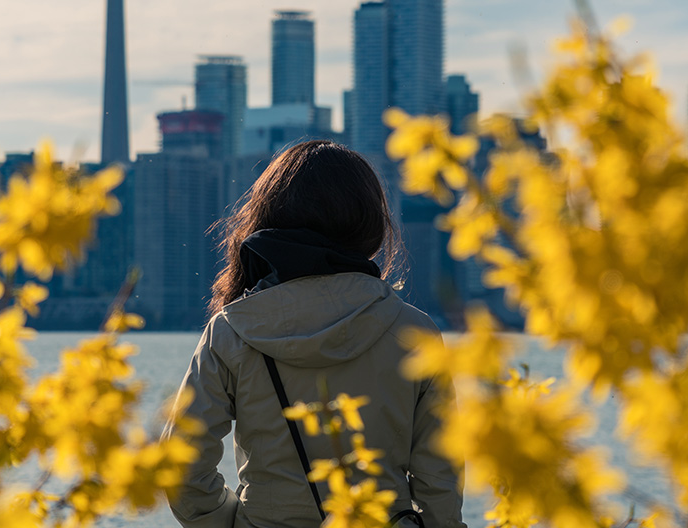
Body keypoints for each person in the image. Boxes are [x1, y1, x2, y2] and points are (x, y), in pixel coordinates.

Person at [164, 140, 466, 528]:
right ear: (369, 223)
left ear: (268, 217)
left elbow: (182, 469)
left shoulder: (232, 330)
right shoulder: (416, 334)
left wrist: (235, 522)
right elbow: (440, 483)